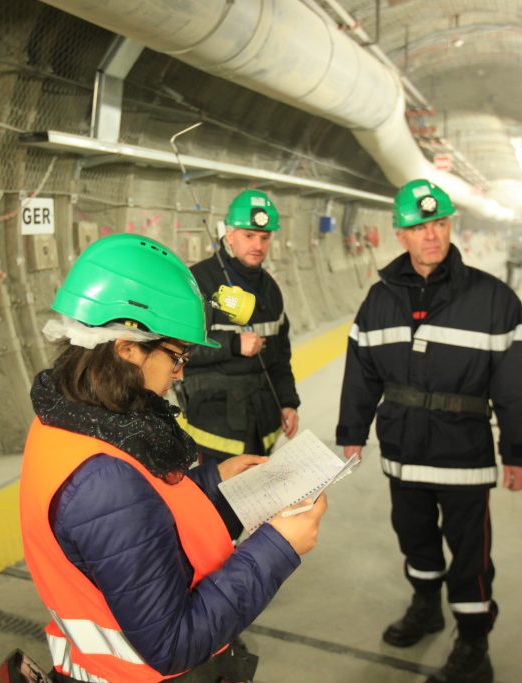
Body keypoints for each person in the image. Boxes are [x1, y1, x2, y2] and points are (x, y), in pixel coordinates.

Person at [19, 233, 327, 683]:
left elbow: (140, 519)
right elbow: (174, 643)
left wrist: (215, 485)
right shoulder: (103, 480)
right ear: (127, 348)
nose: (180, 373)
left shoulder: (72, 419)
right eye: (176, 356)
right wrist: (279, 546)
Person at [336, 179, 522, 683]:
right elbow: (360, 372)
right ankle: (426, 606)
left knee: (471, 556)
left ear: (451, 228)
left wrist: (520, 451)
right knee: (415, 540)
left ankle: (474, 646)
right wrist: (352, 430)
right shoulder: (380, 299)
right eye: (420, 227)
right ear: (401, 234)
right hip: (403, 451)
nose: (432, 235)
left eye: (440, 223)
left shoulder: (493, 299)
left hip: (463, 455)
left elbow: (516, 386)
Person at [178, 189, 300, 538]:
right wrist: (232, 344)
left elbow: (280, 355)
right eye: (249, 235)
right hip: (217, 423)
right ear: (228, 234)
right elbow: (179, 349)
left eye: (264, 237)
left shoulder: (271, 290)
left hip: (261, 419)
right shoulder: (200, 281)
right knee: (218, 510)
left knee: (254, 505)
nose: (257, 245)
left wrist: (288, 402)